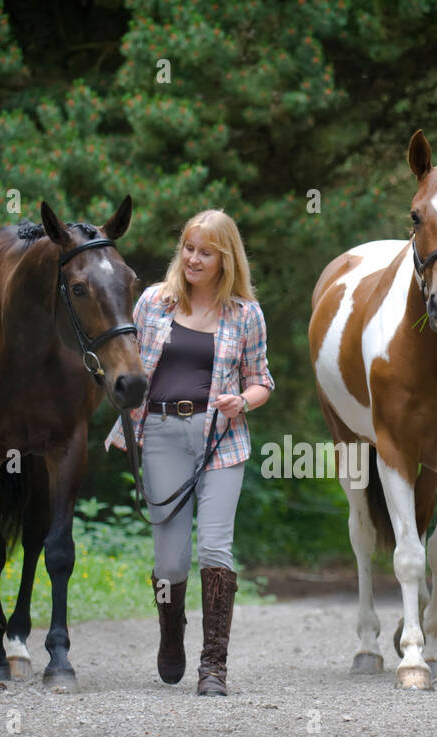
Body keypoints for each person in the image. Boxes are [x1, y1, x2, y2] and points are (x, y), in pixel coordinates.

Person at [106, 209, 274, 696]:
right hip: (159, 432)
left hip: (221, 438)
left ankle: (214, 666)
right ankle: (170, 631)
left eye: (206, 251)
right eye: (189, 248)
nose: (195, 258)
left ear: (226, 259)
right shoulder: (153, 303)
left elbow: (262, 380)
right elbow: (122, 362)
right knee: (171, 560)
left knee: (215, 548)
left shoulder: (246, 314)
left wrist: (242, 400)